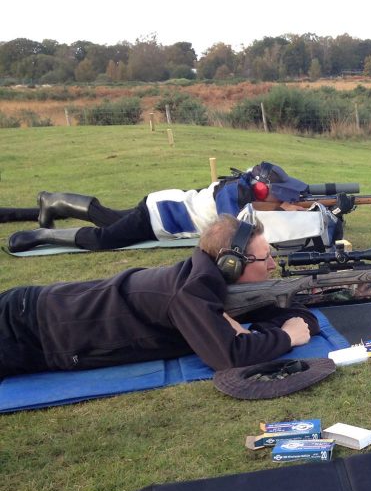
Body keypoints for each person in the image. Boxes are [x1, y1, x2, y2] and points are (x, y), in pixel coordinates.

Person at [0, 215, 319, 379]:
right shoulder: (192, 291)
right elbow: (230, 358)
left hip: (40, 317)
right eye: (265, 259)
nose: (274, 265)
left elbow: (296, 315)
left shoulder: (211, 279)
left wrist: (283, 325)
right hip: (27, 328)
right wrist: (284, 337)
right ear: (230, 263)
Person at [6, 162, 308, 253]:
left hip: (161, 206)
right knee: (105, 238)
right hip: (159, 216)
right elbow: (239, 230)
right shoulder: (231, 194)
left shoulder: (243, 188)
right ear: (262, 189)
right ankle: (42, 236)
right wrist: (283, 212)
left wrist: (282, 206)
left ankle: (53, 201)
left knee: (106, 216)